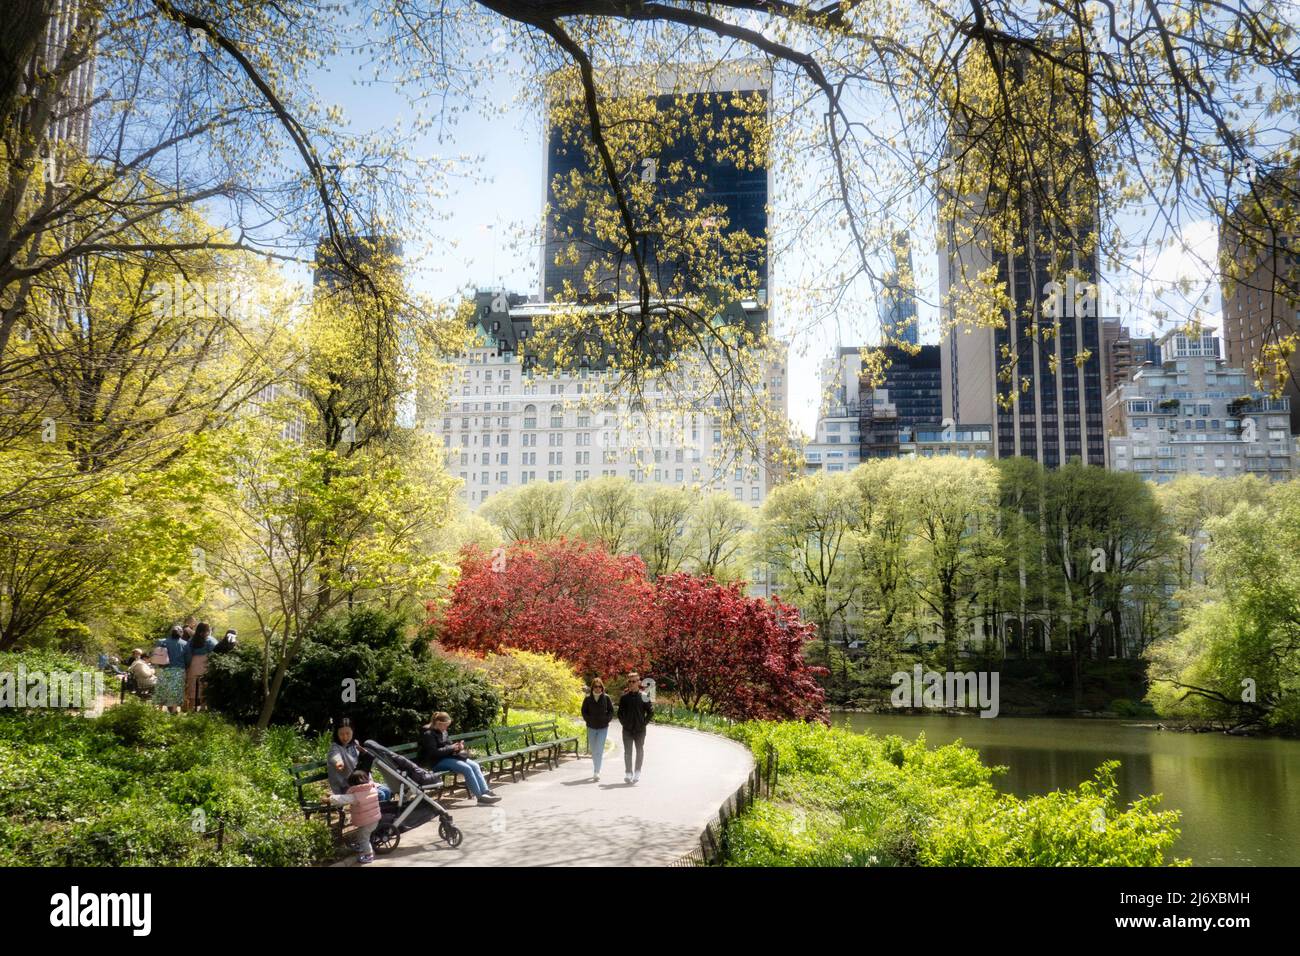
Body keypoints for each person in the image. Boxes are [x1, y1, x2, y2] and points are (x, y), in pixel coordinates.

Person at [418, 712, 500, 804]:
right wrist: (452, 747)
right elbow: (434, 753)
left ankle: (485, 792)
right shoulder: (428, 734)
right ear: (438, 723)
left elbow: (449, 746)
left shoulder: (444, 732)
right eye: (445, 725)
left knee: (475, 765)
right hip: (437, 762)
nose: (446, 728)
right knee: (467, 768)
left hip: (449, 758)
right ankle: (480, 798)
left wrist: (458, 747)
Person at [326, 770, 382, 865]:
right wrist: (332, 796)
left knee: (364, 837)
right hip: (373, 818)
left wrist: (330, 799)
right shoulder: (372, 789)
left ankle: (368, 855)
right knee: (361, 834)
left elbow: (343, 799)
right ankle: (361, 846)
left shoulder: (356, 796)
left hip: (367, 820)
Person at [327, 721, 391, 802]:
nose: (345, 737)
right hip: (347, 786)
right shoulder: (335, 747)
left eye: (348, 733)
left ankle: (381, 814)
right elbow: (334, 755)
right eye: (341, 734)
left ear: (353, 732)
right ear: (337, 734)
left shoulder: (355, 744)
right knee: (380, 794)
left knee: (386, 791)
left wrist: (364, 753)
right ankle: (373, 814)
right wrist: (338, 762)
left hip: (361, 782)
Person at [617, 673, 653, 784]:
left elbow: (651, 712)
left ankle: (637, 772)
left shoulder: (644, 696)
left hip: (640, 730)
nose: (631, 684)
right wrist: (624, 723)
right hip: (627, 730)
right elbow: (619, 713)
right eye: (630, 681)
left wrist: (643, 724)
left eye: (634, 681)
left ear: (639, 682)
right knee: (627, 752)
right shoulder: (624, 698)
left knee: (639, 750)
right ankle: (628, 773)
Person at [581, 678, 614, 782]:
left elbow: (611, 711)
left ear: (602, 687)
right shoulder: (587, 699)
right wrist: (588, 720)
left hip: (603, 728)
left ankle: (596, 771)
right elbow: (584, 711)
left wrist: (606, 720)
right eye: (596, 686)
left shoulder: (606, 698)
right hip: (591, 727)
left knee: (599, 750)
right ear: (592, 688)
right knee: (594, 750)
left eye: (600, 686)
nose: (598, 688)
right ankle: (597, 769)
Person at [153, 625, 191, 713]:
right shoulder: (185, 644)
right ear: (181, 633)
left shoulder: (162, 642)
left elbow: (156, 654)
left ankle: (158, 710)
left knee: (162, 689)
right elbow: (188, 659)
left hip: (163, 669)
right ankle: (174, 711)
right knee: (175, 691)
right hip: (178, 670)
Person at [184, 622, 218, 711]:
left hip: (194, 664)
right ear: (207, 630)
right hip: (206, 664)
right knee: (205, 686)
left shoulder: (191, 640)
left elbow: (187, 654)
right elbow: (216, 652)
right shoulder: (210, 640)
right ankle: (203, 707)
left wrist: (188, 665)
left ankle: (191, 708)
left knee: (192, 686)